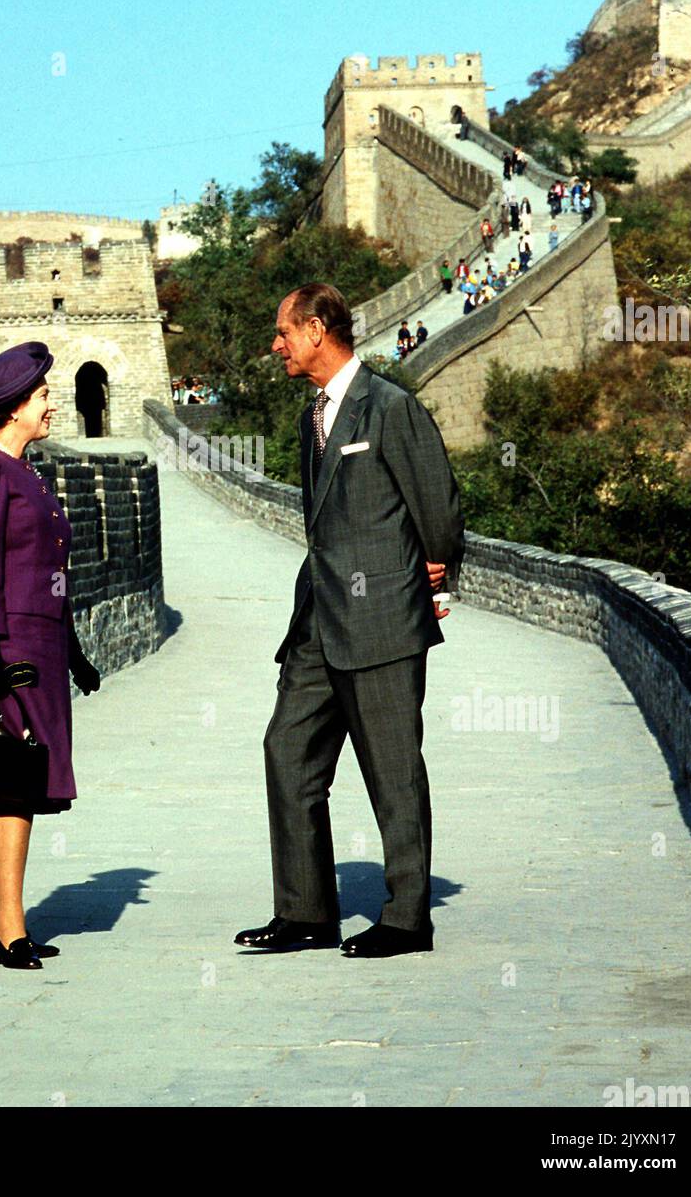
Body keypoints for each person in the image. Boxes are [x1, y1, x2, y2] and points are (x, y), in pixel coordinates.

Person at [235, 283, 465, 958]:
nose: (275, 345)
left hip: (382, 622)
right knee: (286, 752)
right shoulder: (314, 415)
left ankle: (406, 917)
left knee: (391, 770)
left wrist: (434, 567)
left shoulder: (389, 407)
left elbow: (438, 507)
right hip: (317, 622)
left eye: (282, 332)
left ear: (315, 329)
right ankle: (305, 913)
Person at [0, 342, 102, 970]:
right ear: (14, 408)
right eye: (42, 396)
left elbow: (47, 572)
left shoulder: (27, 472)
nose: (51, 404)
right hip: (7, 643)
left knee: (13, 778)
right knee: (14, 783)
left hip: (38, 640)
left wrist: (74, 652)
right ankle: (13, 928)